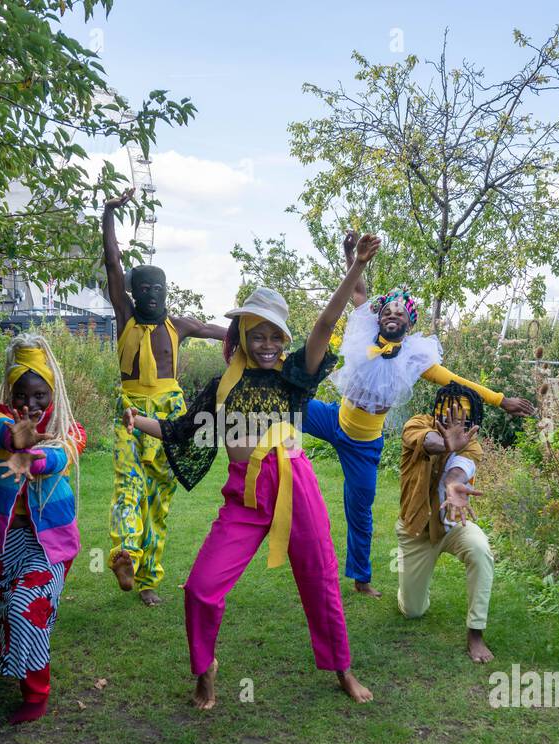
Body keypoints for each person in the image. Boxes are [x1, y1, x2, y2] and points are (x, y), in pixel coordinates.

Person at [124, 235, 385, 709]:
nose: (267, 344)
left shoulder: (293, 376)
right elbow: (181, 430)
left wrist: (354, 268)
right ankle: (205, 669)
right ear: (241, 336)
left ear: (284, 340)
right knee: (202, 589)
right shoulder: (222, 386)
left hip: (295, 485)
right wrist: (136, 421)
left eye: (275, 336)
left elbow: (326, 324)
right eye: (258, 334)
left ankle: (341, 667)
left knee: (321, 577)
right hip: (244, 496)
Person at [302, 230, 534, 598]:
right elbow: (359, 294)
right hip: (333, 418)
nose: (393, 316)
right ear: (381, 318)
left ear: (408, 324)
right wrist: (352, 257)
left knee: (360, 509)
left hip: (364, 443)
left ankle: (361, 578)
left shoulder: (415, 357)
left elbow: (458, 380)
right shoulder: (364, 331)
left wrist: (500, 399)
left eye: (401, 314)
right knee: (284, 403)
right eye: (388, 311)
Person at [102, 188, 227, 606]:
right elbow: (113, 264)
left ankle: (149, 580)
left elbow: (223, 332)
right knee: (128, 483)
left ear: (167, 291)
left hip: (171, 411)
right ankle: (124, 555)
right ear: (134, 293)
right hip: (132, 409)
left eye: (158, 288)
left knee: (160, 497)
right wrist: (108, 215)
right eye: (144, 288)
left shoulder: (179, 326)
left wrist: (262, 339)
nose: (151, 294)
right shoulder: (124, 317)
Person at [0, 334, 87, 724]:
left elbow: (61, 454)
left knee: (29, 608)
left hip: (50, 543)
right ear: (10, 391)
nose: (30, 403)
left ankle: (36, 695)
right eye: (22, 394)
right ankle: (13, 657)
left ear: (52, 390)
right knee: (4, 609)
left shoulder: (69, 427)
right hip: (3, 539)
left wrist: (31, 459)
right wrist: (16, 437)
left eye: (40, 394)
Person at [396, 382, 495, 664]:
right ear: (438, 410)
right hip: (416, 530)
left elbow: (457, 473)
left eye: (463, 415)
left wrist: (453, 487)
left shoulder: (472, 445)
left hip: (452, 526)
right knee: (412, 610)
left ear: (473, 418)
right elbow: (426, 442)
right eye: (450, 412)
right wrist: (446, 444)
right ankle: (412, 590)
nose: (456, 419)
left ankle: (475, 632)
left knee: (480, 549)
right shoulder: (417, 424)